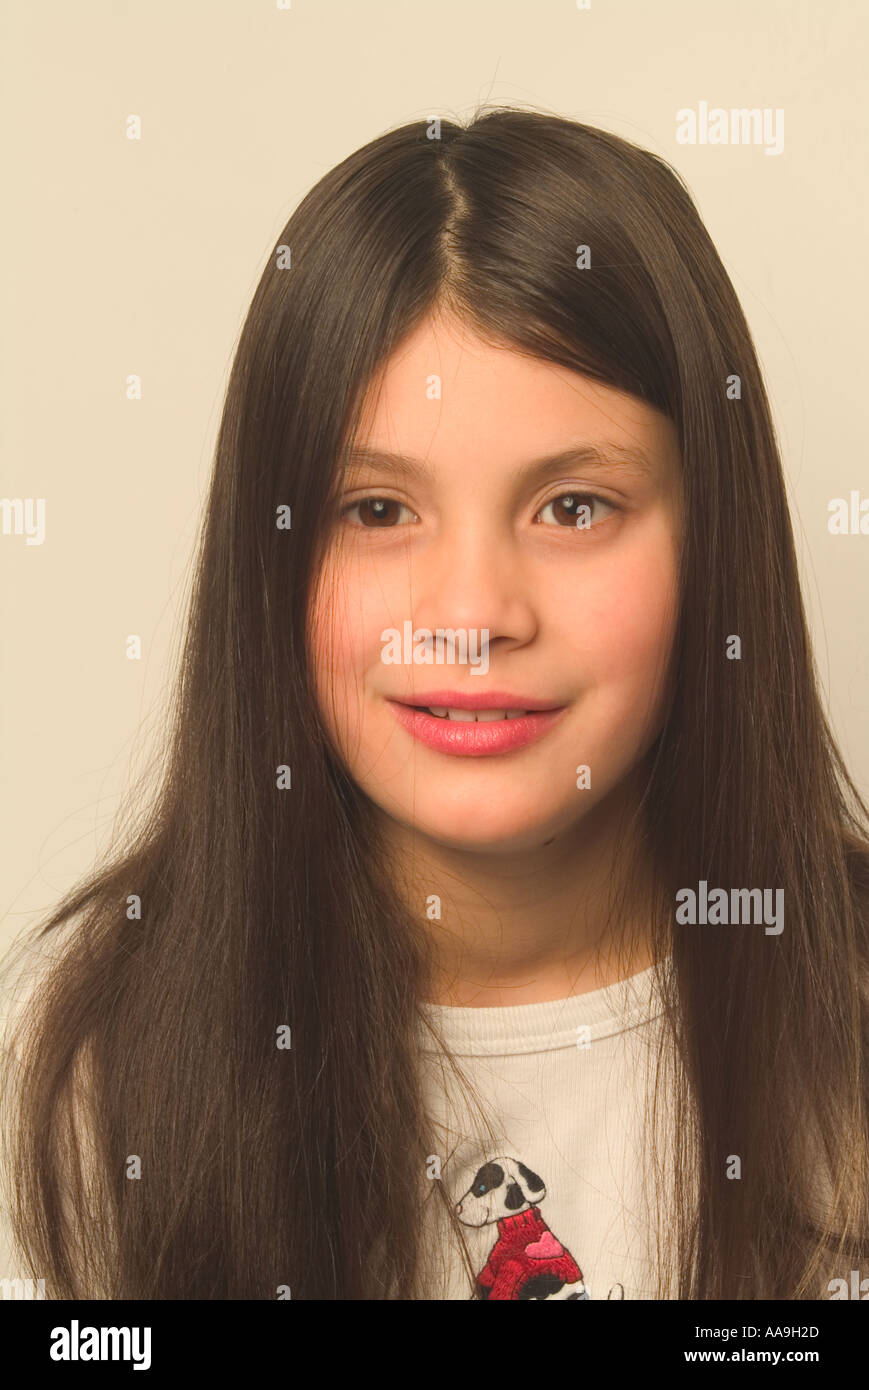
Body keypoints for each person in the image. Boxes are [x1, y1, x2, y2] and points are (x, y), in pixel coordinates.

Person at [1, 105, 868, 1300]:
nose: (470, 612)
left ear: (713, 545)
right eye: (376, 511)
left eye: (572, 506)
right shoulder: (116, 1063)